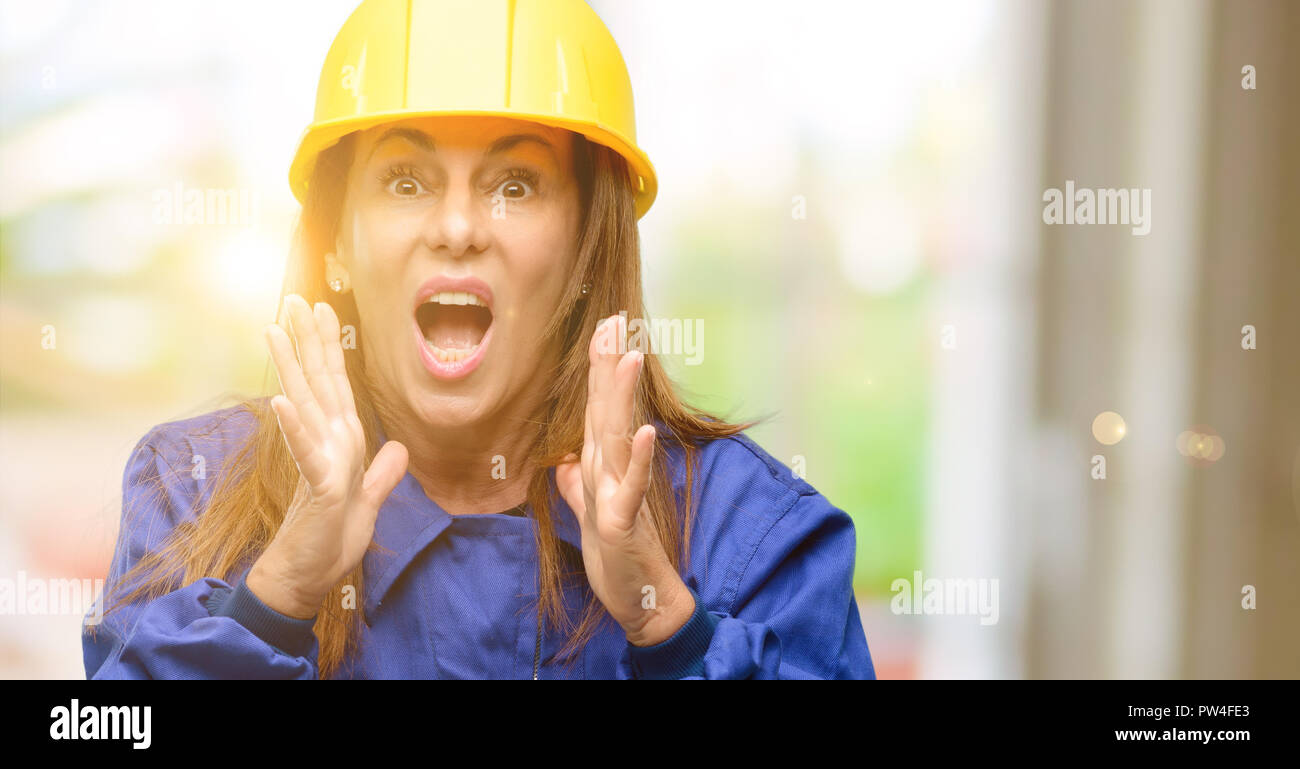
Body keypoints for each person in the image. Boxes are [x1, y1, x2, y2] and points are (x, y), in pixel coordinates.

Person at [82, 0, 875, 680]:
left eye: (515, 184)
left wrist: (665, 618)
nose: (458, 227)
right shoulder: (193, 490)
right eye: (405, 181)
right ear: (337, 245)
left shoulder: (753, 530)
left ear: (584, 248)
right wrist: (280, 589)